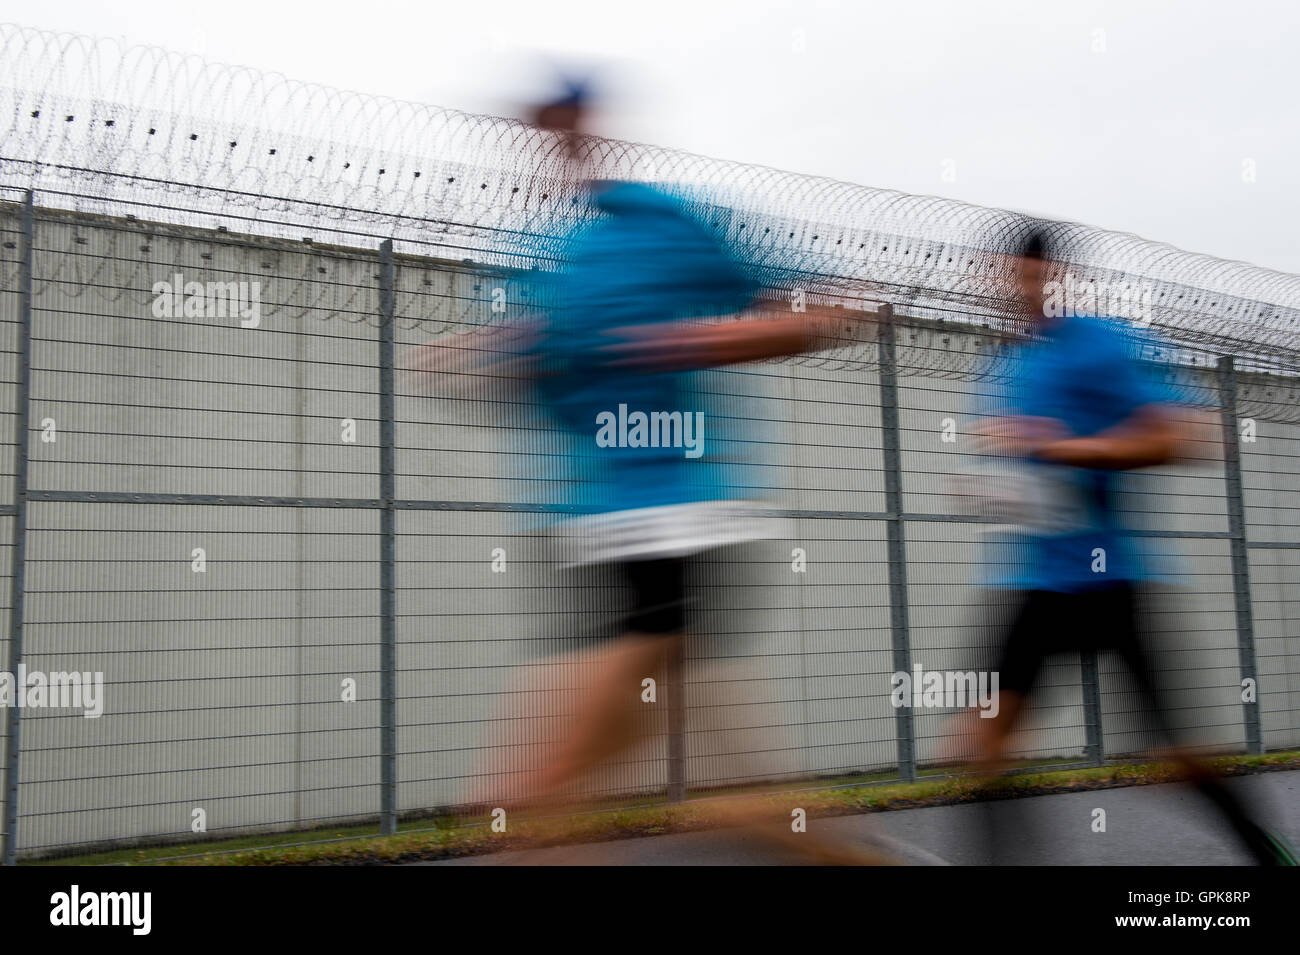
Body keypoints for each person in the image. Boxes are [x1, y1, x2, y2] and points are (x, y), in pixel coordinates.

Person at [963, 225, 1296, 865]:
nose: (1021, 291)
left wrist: (1067, 446)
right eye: (1008, 276)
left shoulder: (1105, 344)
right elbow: (1023, 469)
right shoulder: (1003, 363)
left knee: (1169, 756)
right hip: (1029, 580)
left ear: (1059, 278)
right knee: (982, 748)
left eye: (1034, 277)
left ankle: (1267, 852)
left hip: (1108, 579)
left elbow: (1189, 437)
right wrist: (993, 485)